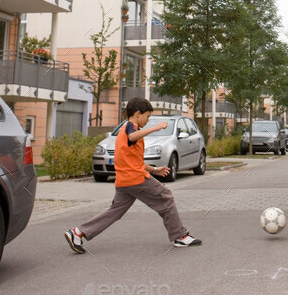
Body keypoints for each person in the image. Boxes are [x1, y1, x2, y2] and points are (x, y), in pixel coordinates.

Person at [64, 97, 201, 253]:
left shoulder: (124, 130)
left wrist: (155, 170)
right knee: (166, 196)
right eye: (147, 116)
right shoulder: (131, 128)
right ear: (137, 114)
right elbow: (132, 137)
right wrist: (155, 128)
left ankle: (78, 232)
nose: (148, 120)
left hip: (124, 180)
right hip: (135, 179)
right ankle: (180, 236)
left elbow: (133, 161)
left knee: (115, 212)